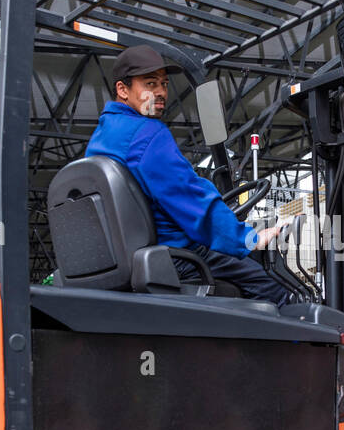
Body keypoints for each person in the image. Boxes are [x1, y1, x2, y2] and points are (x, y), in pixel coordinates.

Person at [84, 44, 292, 304]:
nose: (160, 93)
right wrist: (248, 238)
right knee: (273, 287)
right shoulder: (146, 135)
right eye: (150, 84)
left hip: (130, 256)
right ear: (123, 90)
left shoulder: (100, 139)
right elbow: (190, 199)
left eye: (164, 84)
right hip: (176, 257)